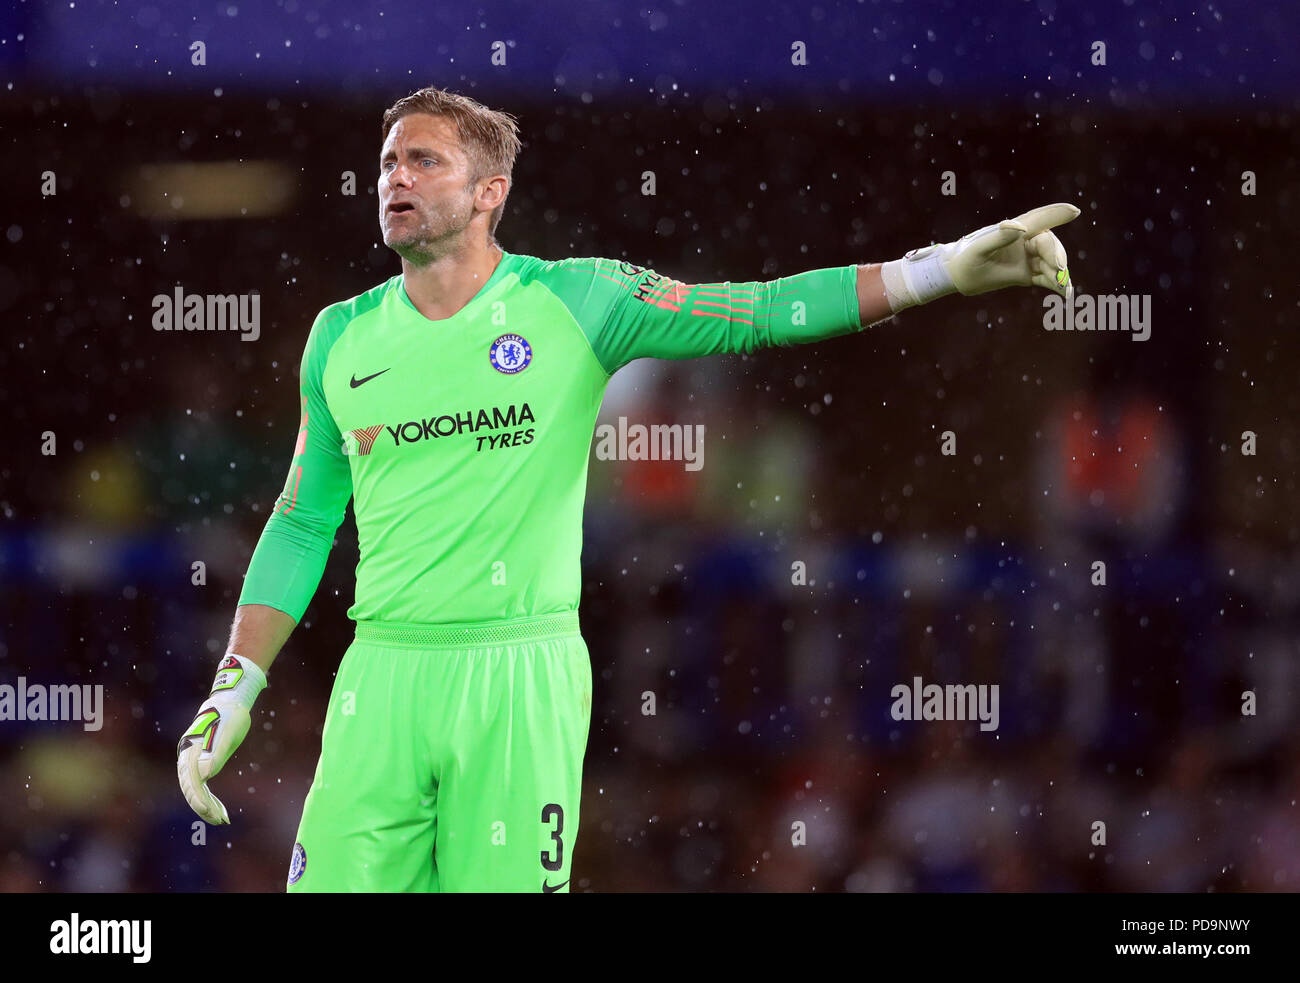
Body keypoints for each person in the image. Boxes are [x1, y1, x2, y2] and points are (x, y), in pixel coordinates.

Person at [176, 85, 1080, 893]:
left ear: (490, 192)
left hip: (519, 672)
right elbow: (301, 521)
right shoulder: (341, 336)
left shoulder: (580, 299)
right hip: (380, 674)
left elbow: (756, 310)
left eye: (424, 159)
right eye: (386, 161)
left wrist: (940, 269)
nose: (395, 177)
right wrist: (236, 683)